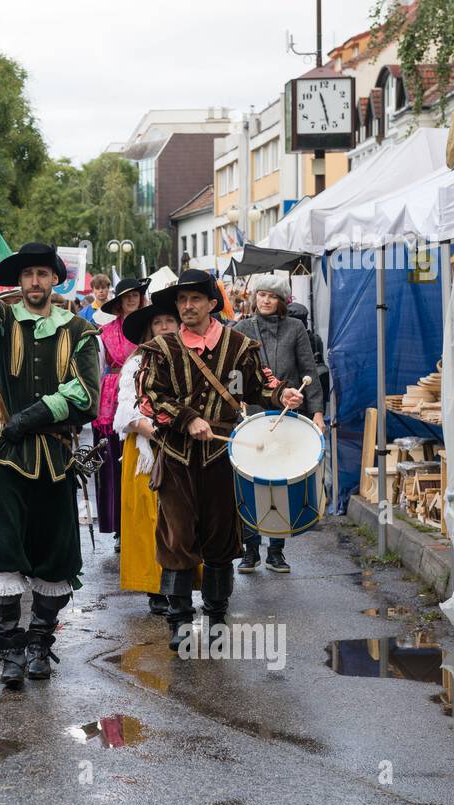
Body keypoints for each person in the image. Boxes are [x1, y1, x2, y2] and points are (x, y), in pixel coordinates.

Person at [137, 268, 302, 651]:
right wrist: (187, 418)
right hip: (176, 457)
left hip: (222, 455)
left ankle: (216, 615)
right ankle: (179, 620)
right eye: (181, 300)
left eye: (195, 299)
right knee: (177, 536)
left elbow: (263, 384)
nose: (187, 306)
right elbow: (149, 399)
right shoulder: (161, 350)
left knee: (220, 538)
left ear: (212, 303)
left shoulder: (240, 346)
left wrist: (285, 396)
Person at [0, 242, 101, 687]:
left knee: (55, 556)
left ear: (55, 279)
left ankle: (39, 646)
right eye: (27, 275)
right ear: (18, 281)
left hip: (56, 457)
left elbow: (86, 396)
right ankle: (9, 653)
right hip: (5, 457)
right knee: (3, 552)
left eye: (43, 274)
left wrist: (31, 416)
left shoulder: (80, 329)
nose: (34, 282)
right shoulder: (0, 322)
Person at [231, 273, 325, 575]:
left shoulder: (295, 328)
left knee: (280, 479)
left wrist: (318, 412)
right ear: (254, 297)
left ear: (282, 301)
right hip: (253, 414)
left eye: (271, 296)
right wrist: (237, 403)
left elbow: (308, 369)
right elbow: (234, 373)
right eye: (261, 295)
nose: (266, 300)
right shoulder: (242, 328)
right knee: (251, 478)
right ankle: (250, 551)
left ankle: (276, 551)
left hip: (289, 412)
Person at [114, 283, 181, 613]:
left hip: (184, 451)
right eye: (158, 322)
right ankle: (156, 589)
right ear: (149, 328)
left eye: (170, 320)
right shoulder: (137, 362)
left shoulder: (190, 359)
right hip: (147, 453)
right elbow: (123, 412)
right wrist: (152, 430)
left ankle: (180, 587)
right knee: (151, 522)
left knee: (181, 521)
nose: (165, 327)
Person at [92, 277, 146, 542]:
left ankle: (145, 523)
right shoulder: (105, 334)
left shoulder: (151, 328)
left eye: (136, 294)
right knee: (113, 463)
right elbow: (97, 369)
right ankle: (120, 527)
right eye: (127, 296)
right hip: (112, 402)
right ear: (118, 303)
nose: (132, 299)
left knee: (144, 461)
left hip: (147, 394)